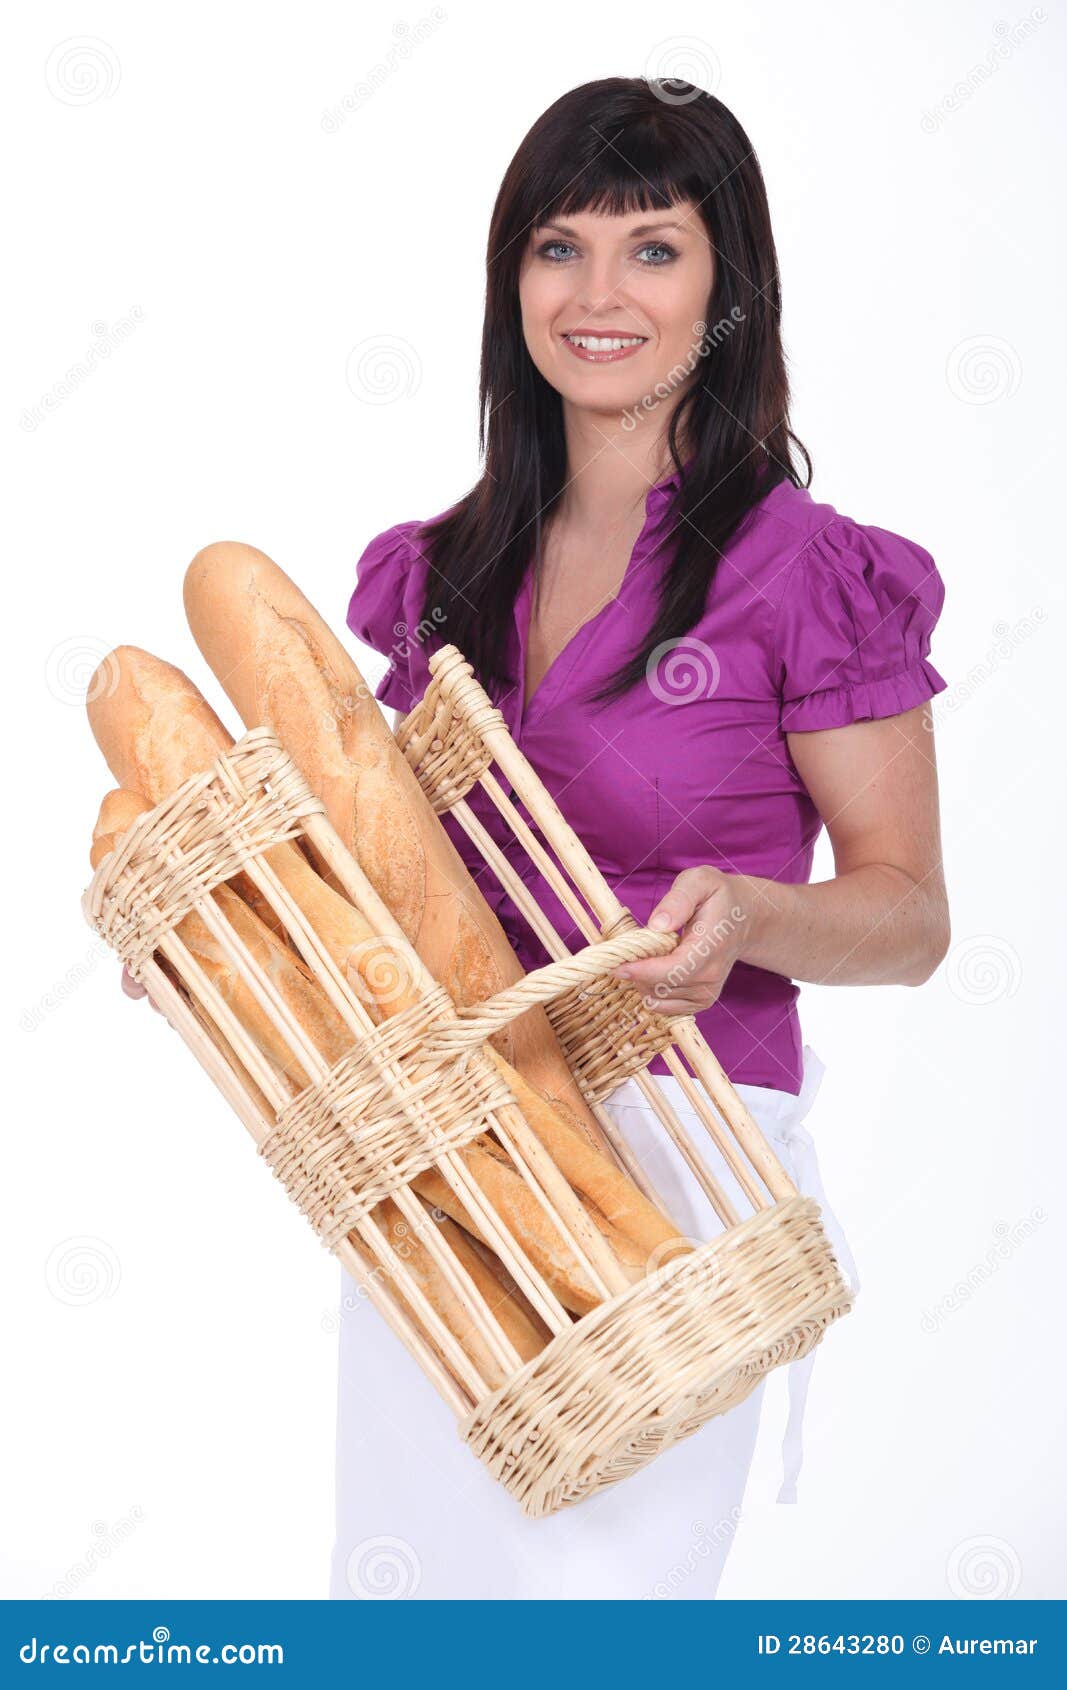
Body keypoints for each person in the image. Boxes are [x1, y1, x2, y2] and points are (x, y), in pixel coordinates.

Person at [328, 76, 949, 1600]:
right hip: (449, 1158)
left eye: (654, 250)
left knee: (600, 1621)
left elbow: (910, 911)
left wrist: (744, 909)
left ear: (730, 289)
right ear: (510, 283)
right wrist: (241, 936)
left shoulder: (809, 574)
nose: (599, 295)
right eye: (558, 248)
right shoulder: (443, 576)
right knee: (410, 1615)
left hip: (681, 1161)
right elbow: (394, 874)